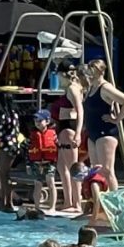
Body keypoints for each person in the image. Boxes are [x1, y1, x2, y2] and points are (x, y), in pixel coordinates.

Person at [81, 59, 124, 188]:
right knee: (96, 170)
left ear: (101, 71)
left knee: (107, 170)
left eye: (93, 69)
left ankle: (115, 201)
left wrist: (117, 119)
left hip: (105, 132)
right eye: (89, 68)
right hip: (92, 132)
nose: (90, 72)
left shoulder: (105, 87)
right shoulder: (91, 87)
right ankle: (101, 200)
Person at [56, 67, 86, 211]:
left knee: (73, 167)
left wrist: (78, 133)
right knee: (62, 167)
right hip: (64, 127)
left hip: (69, 128)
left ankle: (77, 203)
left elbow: (80, 111)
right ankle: (68, 201)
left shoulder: (73, 89)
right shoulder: (71, 87)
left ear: (63, 74)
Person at [25, 109, 59, 211]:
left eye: (40, 121)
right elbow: (27, 150)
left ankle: (52, 207)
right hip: (36, 163)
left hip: (49, 162)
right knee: (37, 185)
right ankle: (37, 207)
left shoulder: (53, 134)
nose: (37, 123)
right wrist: (28, 164)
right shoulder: (32, 135)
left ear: (47, 121)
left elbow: (58, 146)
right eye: (36, 121)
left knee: (51, 182)